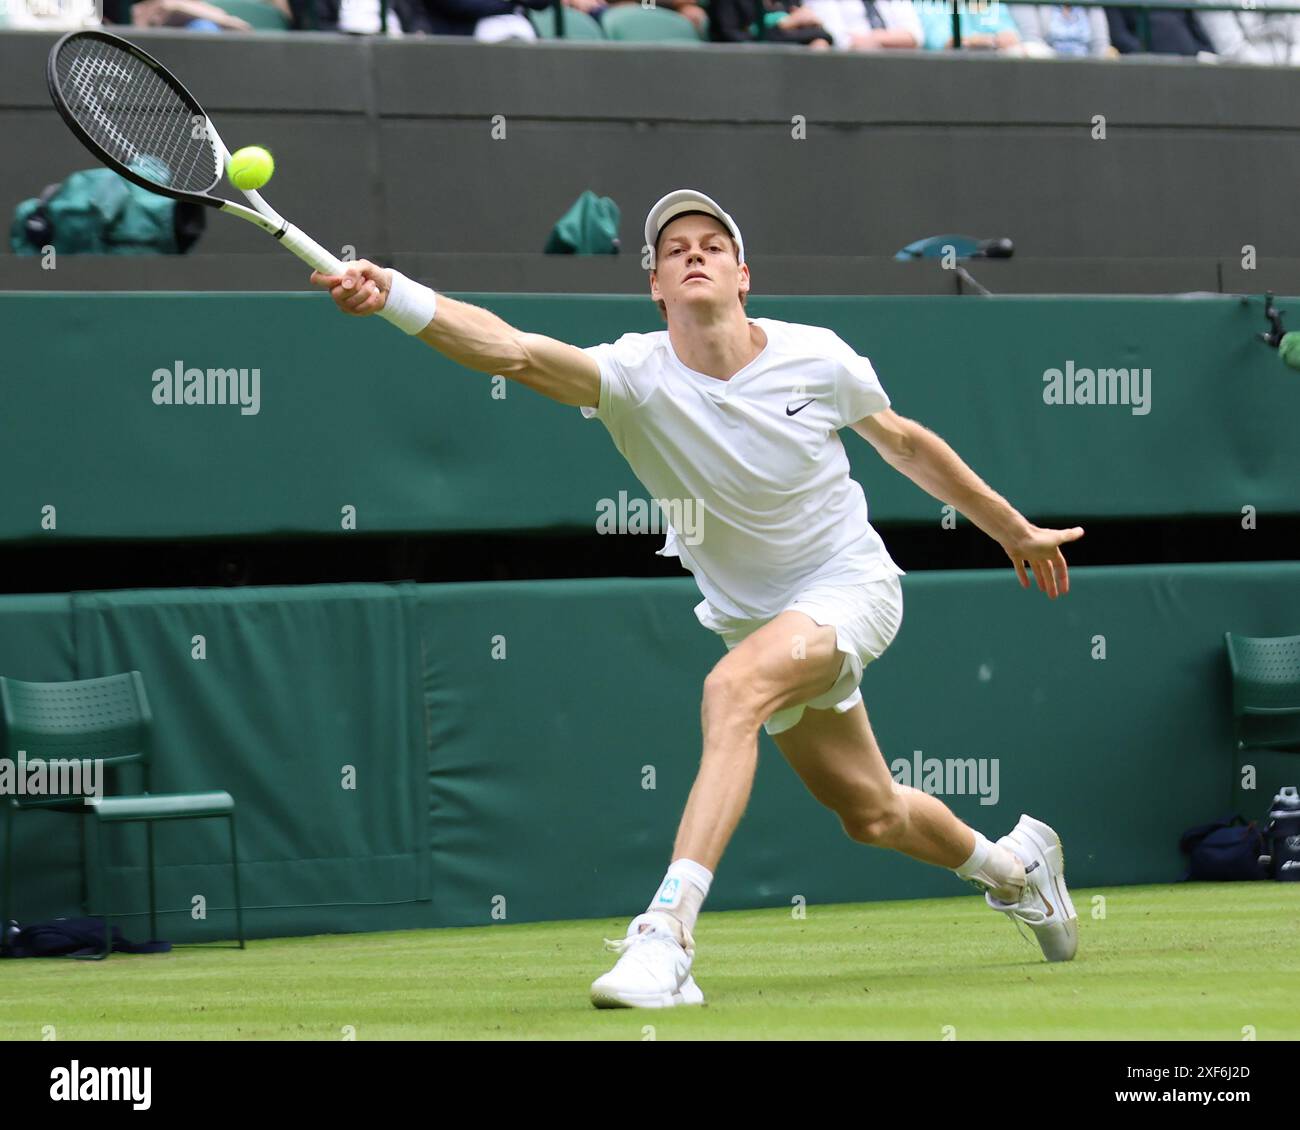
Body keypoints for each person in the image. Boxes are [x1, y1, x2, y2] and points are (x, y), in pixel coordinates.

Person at [309, 188, 1083, 1009]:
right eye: (674, 247)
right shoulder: (634, 377)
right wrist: (395, 295)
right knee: (873, 812)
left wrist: (1010, 528)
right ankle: (1019, 871)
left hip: (851, 585)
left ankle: (667, 935)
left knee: (732, 691)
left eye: (712, 242)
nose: (693, 252)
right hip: (754, 618)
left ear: (743, 274)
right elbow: (512, 351)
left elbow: (904, 443)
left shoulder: (818, 358)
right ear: (655, 286)